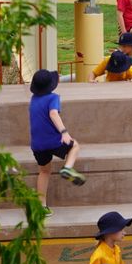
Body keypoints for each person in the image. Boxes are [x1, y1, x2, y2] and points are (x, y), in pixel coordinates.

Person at [28, 69, 85, 208]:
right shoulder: (53, 98)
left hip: (37, 145)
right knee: (75, 146)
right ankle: (67, 168)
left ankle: (42, 207)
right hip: (53, 141)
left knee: (44, 171)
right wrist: (64, 132)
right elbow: (53, 113)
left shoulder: (33, 99)